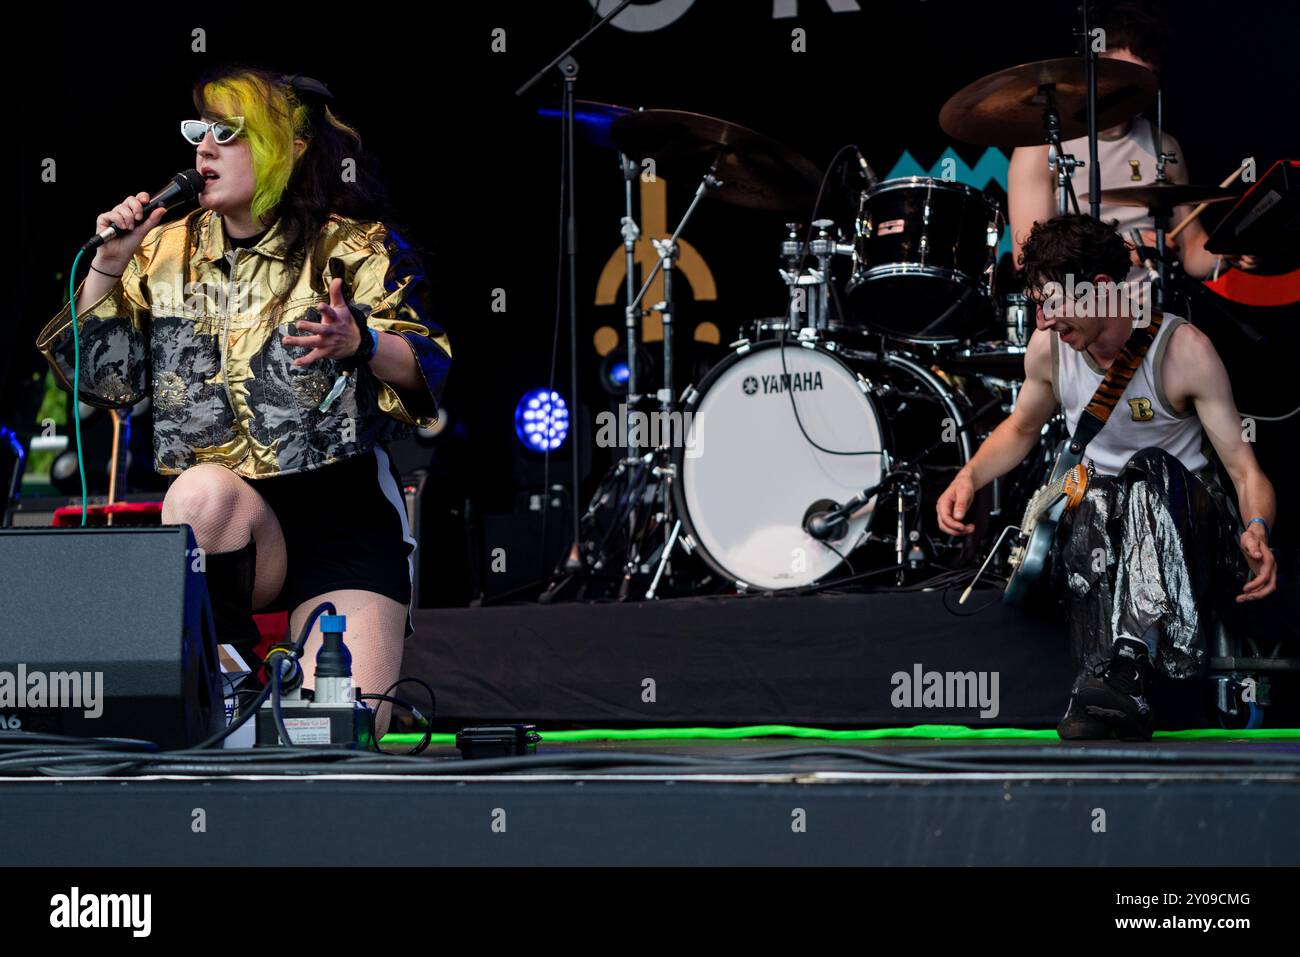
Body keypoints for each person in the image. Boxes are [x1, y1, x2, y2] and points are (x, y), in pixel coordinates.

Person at [36, 67, 451, 738]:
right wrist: (108, 267)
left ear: (289, 145)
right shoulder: (164, 248)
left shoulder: (353, 245)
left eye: (229, 133)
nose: (204, 149)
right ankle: (222, 671)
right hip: (229, 530)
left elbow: (424, 366)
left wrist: (361, 340)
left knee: (335, 736)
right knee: (203, 493)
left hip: (340, 521)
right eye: (199, 132)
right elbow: (102, 382)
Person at [935, 214, 1276, 740]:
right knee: (1094, 494)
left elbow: (1244, 470)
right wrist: (968, 478)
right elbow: (1021, 428)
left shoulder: (1183, 350)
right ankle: (1106, 686)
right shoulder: (1049, 352)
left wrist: (1257, 526)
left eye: (1053, 303)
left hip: (1189, 538)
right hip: (1102, 535)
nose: (1044, 321)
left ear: (1097, 290)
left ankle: (1127, 668)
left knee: (1147, 470)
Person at [1007, 0, 1255, 282]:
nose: (1139, 88)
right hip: (1078, 313)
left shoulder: (1163, 145)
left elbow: (1193, 252)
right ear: (1094, 68)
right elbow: (1027, 260)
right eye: (1127, 75)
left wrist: (1226, 251)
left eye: (1146, 78)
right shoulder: (1042, 146)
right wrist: (1120, 251)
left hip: (1152, 316)